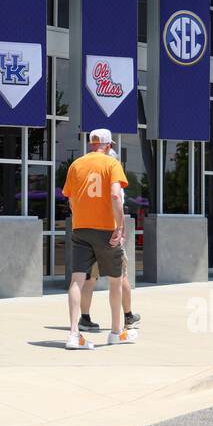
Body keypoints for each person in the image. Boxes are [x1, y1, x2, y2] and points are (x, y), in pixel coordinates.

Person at [61, 128, 138, 350]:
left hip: (80, 228)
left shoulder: (76, 165)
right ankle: (115, 333)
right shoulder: (111, 164)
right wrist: (120, 226)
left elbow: (71, 199)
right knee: (115, 281)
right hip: (106, 229)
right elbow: (115, 195)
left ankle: (74, 334)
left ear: (91, 143)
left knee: (77, 280)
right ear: (108, 145)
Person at [76, 139, 140, 333]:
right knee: (120, 277)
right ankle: (127, 317)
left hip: (86, 230)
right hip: (108, 231)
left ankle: (84, 318)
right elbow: (116, 199)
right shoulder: (112, 171)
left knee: (88, 279)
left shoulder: (83, 168)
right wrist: (120, 228)